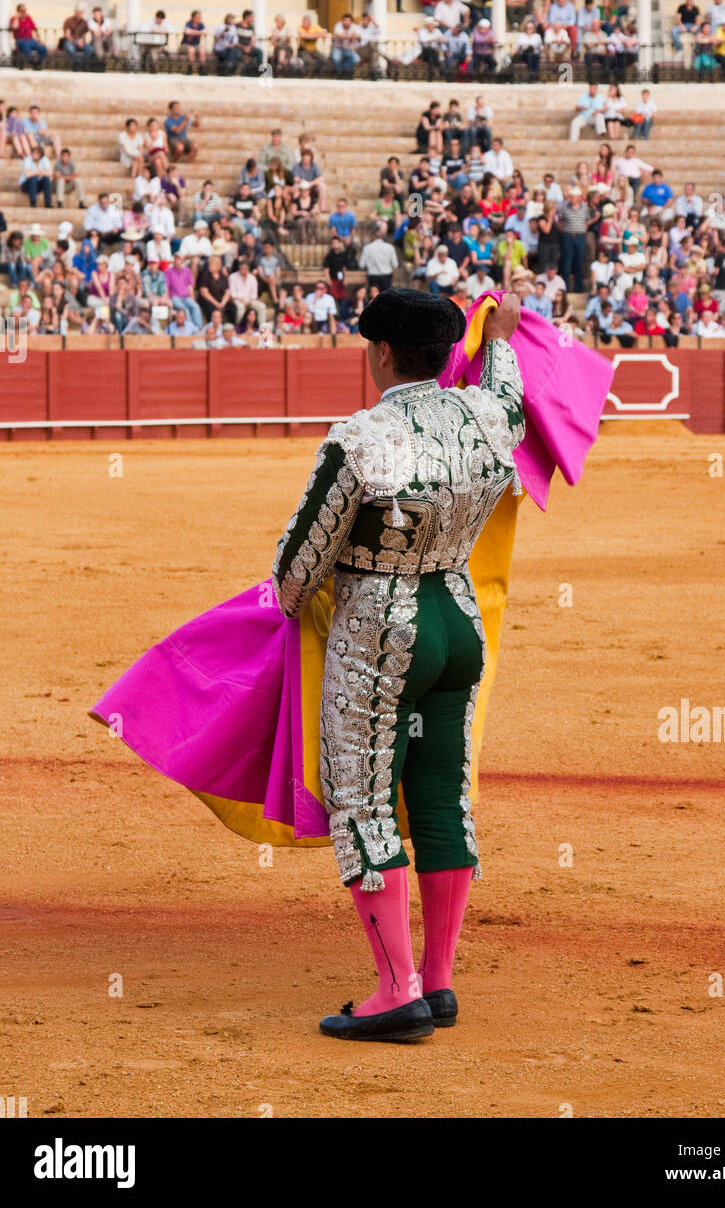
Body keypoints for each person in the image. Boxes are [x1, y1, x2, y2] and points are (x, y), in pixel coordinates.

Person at [269, 287, 524, 1042]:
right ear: (451, 354)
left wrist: (299, 609)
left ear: (380, 354)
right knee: (443, 798)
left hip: (382, 634)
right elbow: (508, 390)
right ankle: (438, 984)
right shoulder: (487, 416)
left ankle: (395, 992)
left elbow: (294, 573)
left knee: (365, 802)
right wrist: (500, 337)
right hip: (458, 619)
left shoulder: (360, 437)